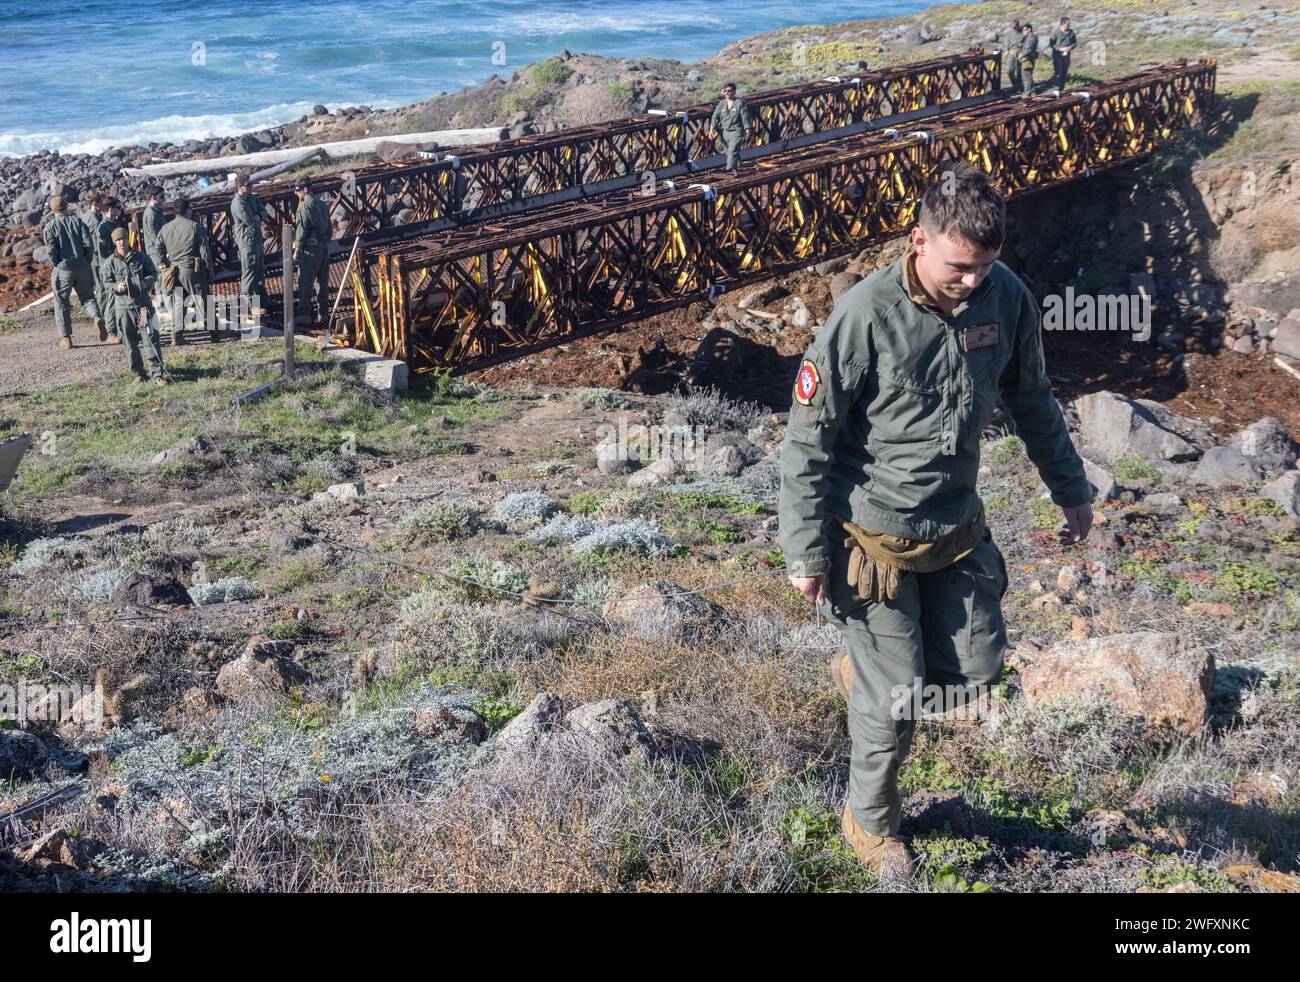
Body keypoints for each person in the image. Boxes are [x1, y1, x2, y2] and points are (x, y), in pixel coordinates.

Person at [777, 163, 1093, 876]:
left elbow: (1033, 398)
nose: (973, 281)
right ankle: (871, 825)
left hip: (955, 533)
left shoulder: (1006, 298)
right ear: (918, 240)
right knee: (895, 703)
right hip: (870, 542)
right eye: (959, 266)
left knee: (976, 674)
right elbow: (807, 440)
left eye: (985, 266)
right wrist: (805, 552)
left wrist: (1070, 488)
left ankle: (863, 674)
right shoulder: (864, 314)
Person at [102, 227, 167, 386]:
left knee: (151, 339)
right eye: (118, 240)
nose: (121, 242)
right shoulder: (110, 262)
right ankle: (138, 374)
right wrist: (117, 286)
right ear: (114, 243)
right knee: (130, 343)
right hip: (123, 308)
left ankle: (157, 375)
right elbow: (106, 283)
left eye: (124, 239)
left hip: (143, 306)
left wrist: (146, 282)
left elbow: (154, 273)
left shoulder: (141, 257)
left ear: (128, 239)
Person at [42, 196, 102, 349]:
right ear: (66, 206)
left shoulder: (50, 227)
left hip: (63, 269)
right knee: (88, 297)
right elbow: (89, 244)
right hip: (82, 266)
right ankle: (96, 316)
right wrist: (86, 260)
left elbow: (51, 251)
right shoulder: (78, 221)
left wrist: (57, 263)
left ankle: (66, 338)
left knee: (61, 301)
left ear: (53, 210)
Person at [157, 195, 212, 331]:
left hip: (174, 271)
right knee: (203, 300)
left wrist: (163, 263)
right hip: (191, 270)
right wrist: (209, 269)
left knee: (179, 303)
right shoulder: (195, 227)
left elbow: (158, 247)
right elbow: (204, 251)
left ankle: (176, 335)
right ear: (187, 210)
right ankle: (214, 330)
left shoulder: (165, 228)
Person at [230, 171, 268, 320]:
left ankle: (261, 300)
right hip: (246, 241)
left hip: (256, 238)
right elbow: (250, 220)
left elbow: (263, 212)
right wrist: (258, 217)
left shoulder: (252, 198)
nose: (251, 187)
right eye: (248, 185)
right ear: (240, 187)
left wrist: (259, 216)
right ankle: (249, 305)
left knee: (259, 268)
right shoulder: (238, 203)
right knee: (249, 271)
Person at [292, 178, 331, 323]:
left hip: (310, 249)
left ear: (305, 190)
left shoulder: (304, 207)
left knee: (305, 281)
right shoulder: (322, 204)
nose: (295, 193)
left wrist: (297, 250)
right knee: (322, 281)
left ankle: (304, 315)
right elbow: (329, 229)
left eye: (297, 190)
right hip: (323, 247)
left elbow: (301, 231)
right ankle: (323, 314)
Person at [96, 197, 128, 342]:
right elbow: (104, 251)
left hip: (118, 265)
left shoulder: (114, 224)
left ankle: (119, 329)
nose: (121, 210)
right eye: (118, 207)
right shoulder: (103, 227)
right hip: (109, 267)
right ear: (110, 209)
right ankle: (110, 332)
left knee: (118, 298)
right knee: (111, 299)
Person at [710, 82, 753, 171]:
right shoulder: (721, 104)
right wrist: (712, 128)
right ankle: (737, 167)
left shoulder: (739, 104)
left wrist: (748, 131)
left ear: (734, 91)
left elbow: (745, 118)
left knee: (732, 151)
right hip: (724, 132)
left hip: (736, 132)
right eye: (725, 91)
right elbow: (715, 116)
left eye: (729, 91)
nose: (727, 93)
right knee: (729, 152)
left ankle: (729, 170)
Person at [1049, 17, 1078, 90]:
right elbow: (1052, 44)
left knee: (1064, 71)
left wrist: (1070, 48)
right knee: (1058, 72)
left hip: (1067, 56)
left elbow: (1075, 43)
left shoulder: (1071, 33)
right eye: (1068, 24)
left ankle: (1062, 88)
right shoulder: (1056, 32)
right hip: (1057, 55)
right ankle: (1056, 87)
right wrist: (1060, 49)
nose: (1069, 25)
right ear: (1063, 24)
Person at [1018, 23, 1040, 97]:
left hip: (1028, 59)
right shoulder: (1029, 37)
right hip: (1028, 58)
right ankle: (1032, 91)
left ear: (1029, 29)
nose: (1023, 32)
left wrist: (1022, 54)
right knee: (1028, 75)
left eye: (1024, 30)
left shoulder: (1031, 38)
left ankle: (1027, 92)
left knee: (1026, 76)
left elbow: (1028, 48)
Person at [1005, 19, 1023, 93]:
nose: (1014, 29)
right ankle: (1015, 85)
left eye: (1015, 27)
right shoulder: (1010, 33)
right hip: (1011, 52)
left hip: (1020, 52)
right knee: (1009, 71)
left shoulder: (1022, 32)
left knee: (1018, 72)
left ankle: (1019, 87)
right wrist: (1006, 50)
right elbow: (1007, 42)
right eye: (1013, 27)